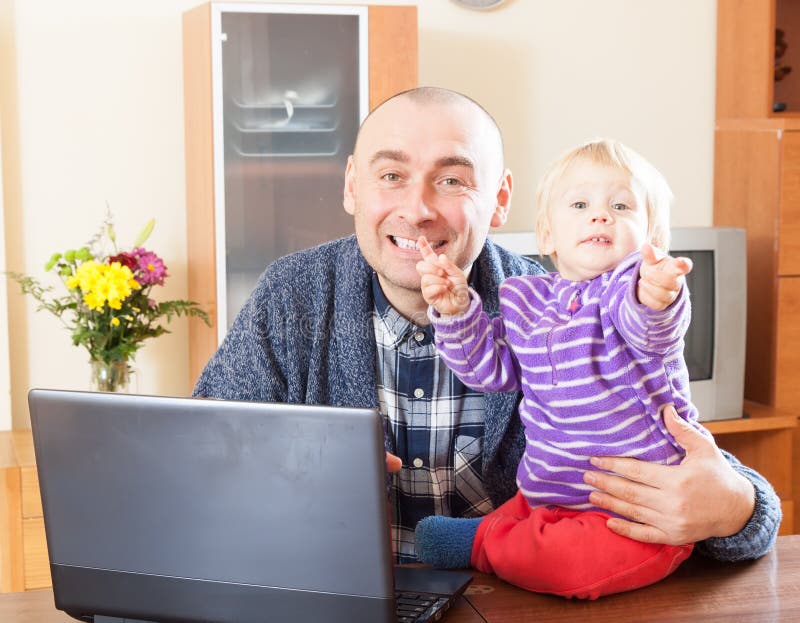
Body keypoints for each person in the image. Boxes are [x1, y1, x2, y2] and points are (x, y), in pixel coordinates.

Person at [192, 87, 780, 568]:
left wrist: (736, 507)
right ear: (352, 186)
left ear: (499, 201)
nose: (418, 208)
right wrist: (292, 471)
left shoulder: (560, 310)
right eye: (391, 176)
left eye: (451, 180)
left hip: (514, 602)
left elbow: (705, 474)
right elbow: (198, 462)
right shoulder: (290, 295)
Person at [414, 138, 709, 599]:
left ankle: (484, 544)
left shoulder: (627, 293)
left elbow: (653, 330)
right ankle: (498, 531)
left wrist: (657, 295)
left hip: (636, 509)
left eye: (621, 205)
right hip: (545, 492)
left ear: (653, 240)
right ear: (547, 236)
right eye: (580, 203)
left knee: (576, 566)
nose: (601, 215)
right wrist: (456, 311)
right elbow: (488, 371)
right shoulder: (526, 299)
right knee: (523, 514)